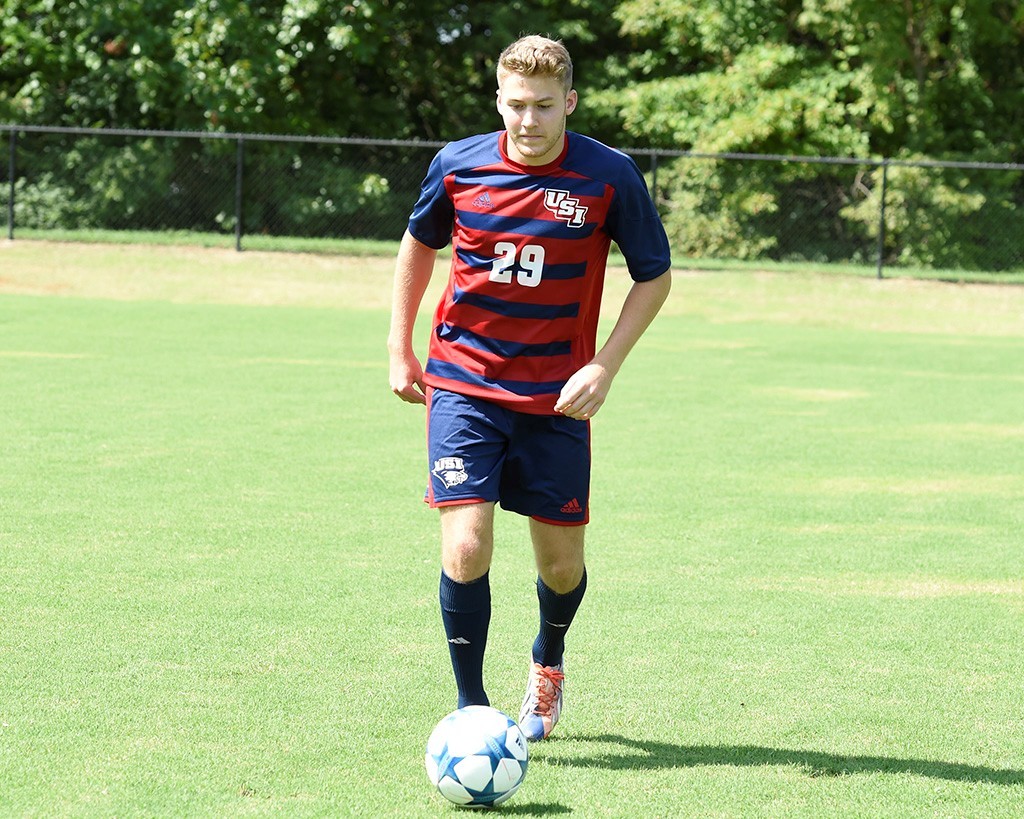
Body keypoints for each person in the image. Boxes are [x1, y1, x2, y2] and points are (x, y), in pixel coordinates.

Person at [387, 34, 671, 741]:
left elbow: (654, 274)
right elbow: (418, 245)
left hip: (556, 397)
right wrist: (399, 346)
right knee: (465, 544)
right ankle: (472, 708)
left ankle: (548, 661)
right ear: (498, 100)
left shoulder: (609, 176)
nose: (529, 120)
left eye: (545, 106)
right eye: (516, 105)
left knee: (561, 564)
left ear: (568, 102)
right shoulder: (458, 165)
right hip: (464, 382)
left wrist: (605, 362)